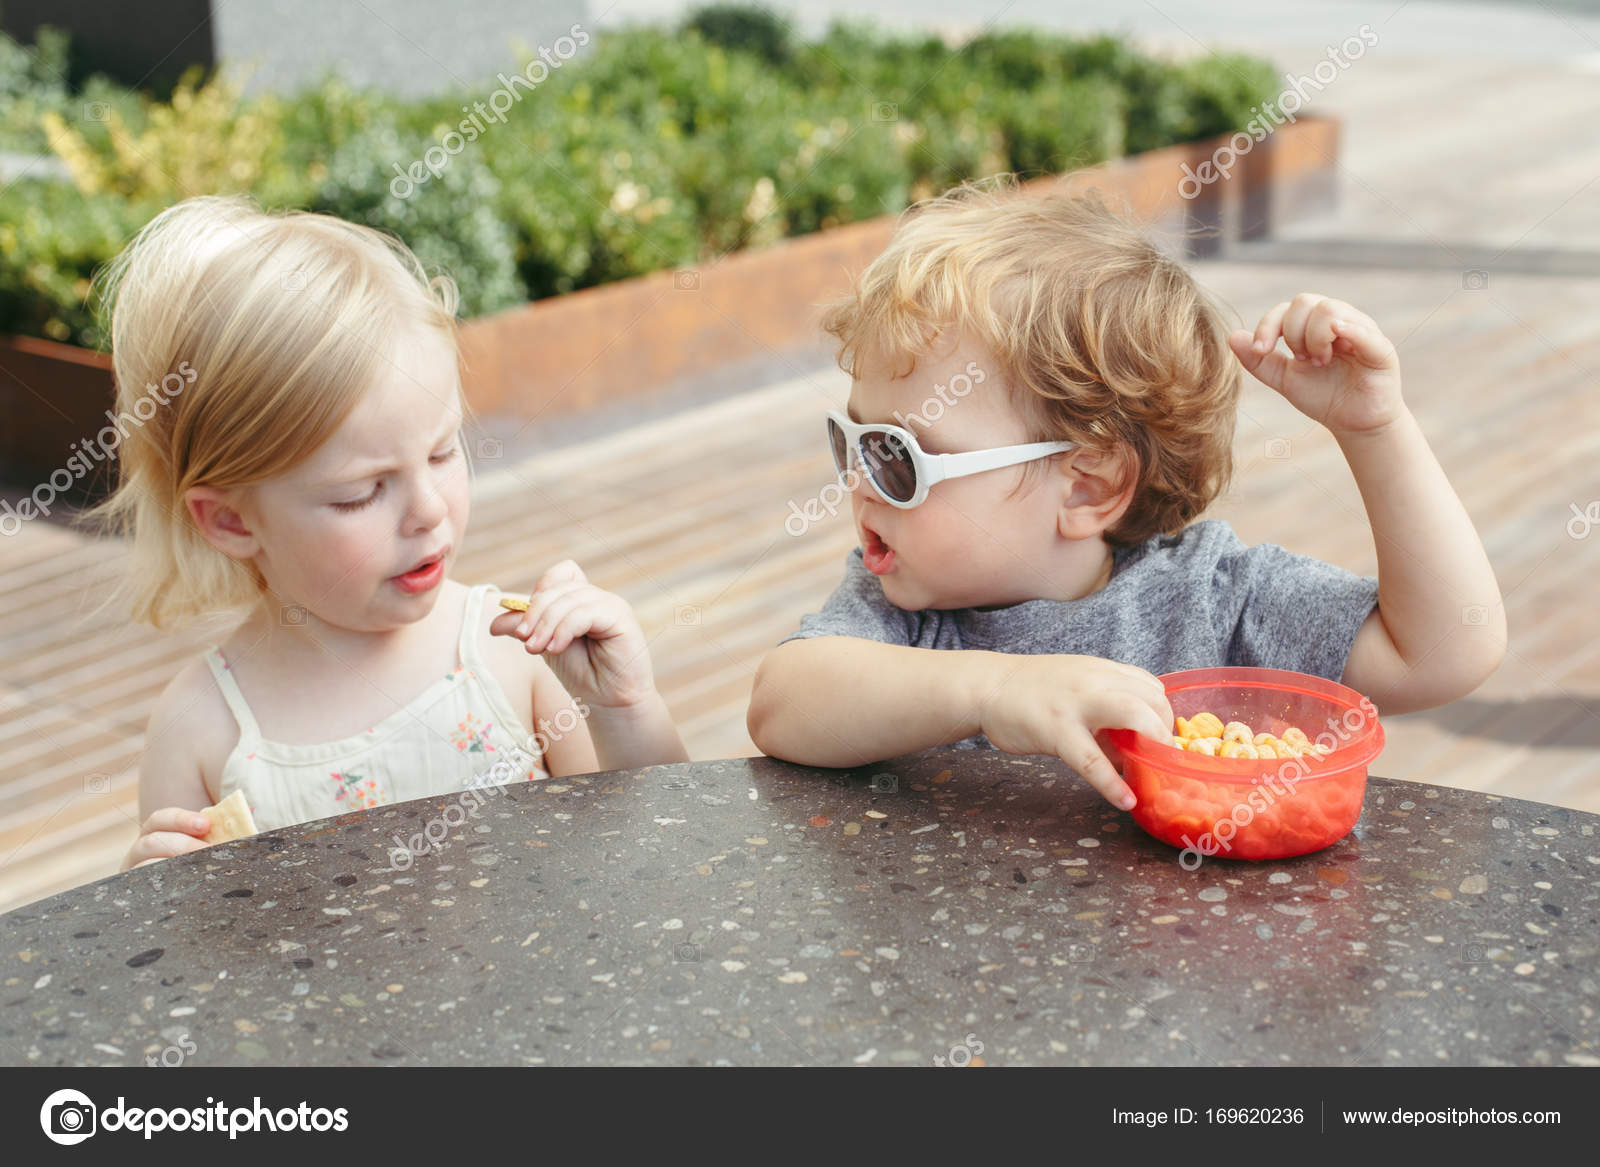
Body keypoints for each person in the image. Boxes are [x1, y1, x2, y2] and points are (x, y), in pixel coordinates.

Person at [748, 182, 1505, 810]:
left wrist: (1376, 431)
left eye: (899, 456)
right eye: (853, 441)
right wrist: (996, 689)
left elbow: (1441, 651)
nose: (858, 480)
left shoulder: (1210, 598)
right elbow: (783, 702)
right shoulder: (903, 612)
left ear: (1088, 485)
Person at [100, 196, 686, 869]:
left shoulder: (519, 657)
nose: (428, 509)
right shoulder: (203, 732)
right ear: (232, 519)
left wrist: (624, 708)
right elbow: (198, 965)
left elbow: (659, 854)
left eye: (442, 452)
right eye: (362, 492)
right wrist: (155, 905)